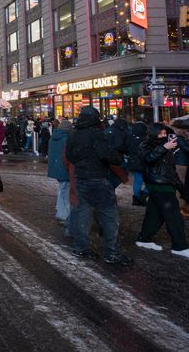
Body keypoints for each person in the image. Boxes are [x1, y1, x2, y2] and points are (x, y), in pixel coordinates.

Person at [66, 106, 132, 266]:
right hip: (98, 180)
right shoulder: (96, 134)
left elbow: (69, 156)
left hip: (82, 179)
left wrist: (82, 164)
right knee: (109, 217)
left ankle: (80, 248)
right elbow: (106, 154)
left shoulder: (74, 134)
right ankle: (112, 253)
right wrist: (117, 159)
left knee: (83, 215)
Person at [134, 124, 189, 259]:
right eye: (161, 133)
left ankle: (144, 239)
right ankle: (180, 246)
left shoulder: (167, 148)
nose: (164, 136)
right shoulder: (146, 145)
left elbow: (171, 170)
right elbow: (149, 158)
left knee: (155, 215)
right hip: (157, 185)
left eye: (165, 133)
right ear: (154, 133)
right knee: (174, 217)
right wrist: (164, 148)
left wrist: (180, 187)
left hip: (165, 185)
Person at [48, 120, 73, 227]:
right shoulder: (67, 139)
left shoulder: (53, 138)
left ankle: (60, 209)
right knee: (65, 191)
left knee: (62, 189)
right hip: (64, 168)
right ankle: (63, 214)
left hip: (56, 167)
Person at [127, 122, 149, 206]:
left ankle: (136, 198)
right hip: (145, 162)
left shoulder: (130, 138)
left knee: (137, 180)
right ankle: (143, 196)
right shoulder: (146, 140)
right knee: (149, 180)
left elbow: (126, 148)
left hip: (134, 162)